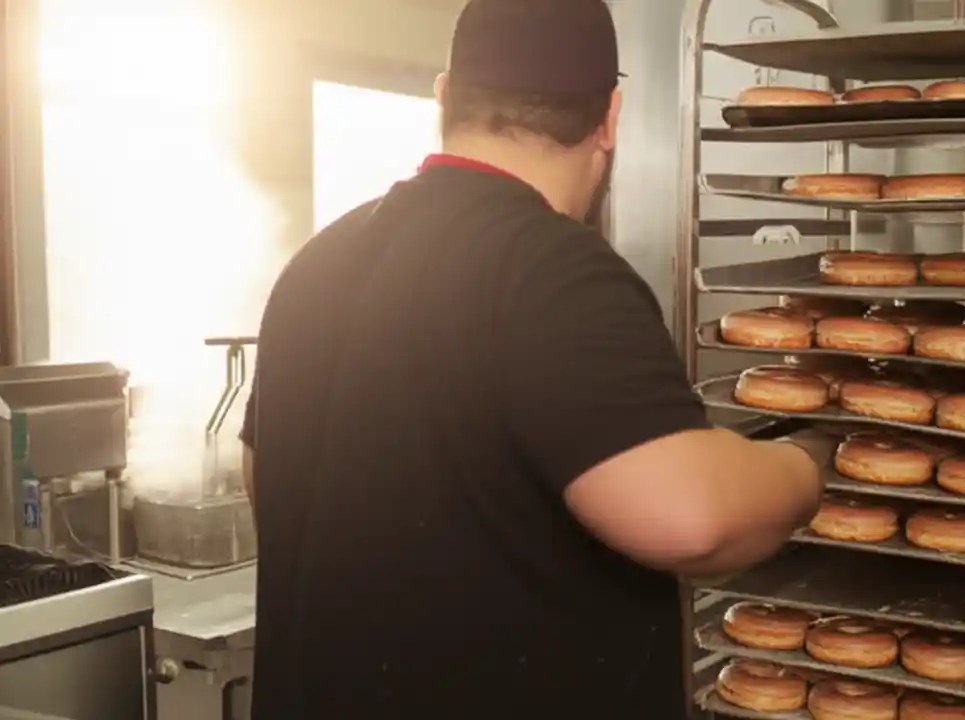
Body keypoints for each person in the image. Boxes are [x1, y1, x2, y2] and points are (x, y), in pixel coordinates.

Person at [239, 0, 822, 716]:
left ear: (446, 97)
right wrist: (809, 462)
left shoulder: (317, 264)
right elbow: (690, 517)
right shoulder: (553, 267)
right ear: (611, 118)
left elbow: (273, 488)